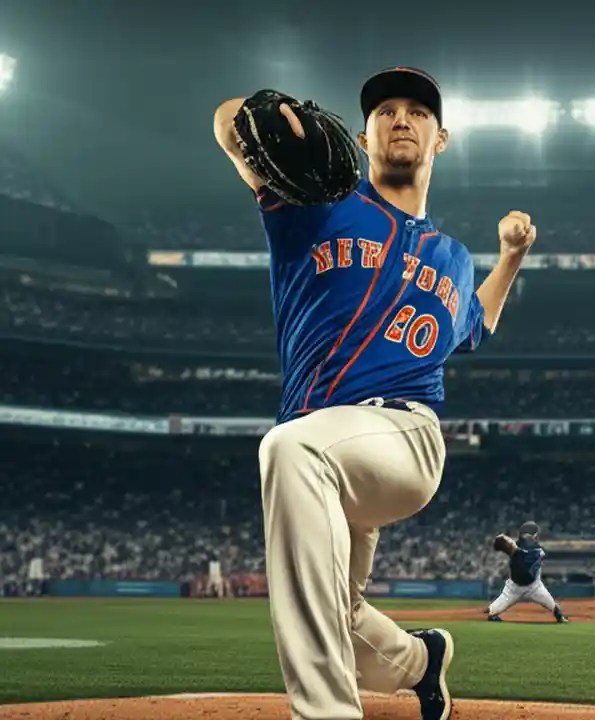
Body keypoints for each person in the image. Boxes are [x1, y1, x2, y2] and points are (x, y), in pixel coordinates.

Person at [213, 65, 536, 720]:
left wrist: (509, 258)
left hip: (402, 436)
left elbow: (475, 326)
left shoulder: (452, 255)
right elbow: (228, 124)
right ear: (361, 136)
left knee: (290, 452)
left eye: (417, 111)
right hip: (327, 440)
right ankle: (423, 663)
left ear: (439, 138)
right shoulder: (315, 203)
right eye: (385, 110)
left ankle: (327, 713)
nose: (400, 118)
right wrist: (272, 122)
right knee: (339, 609)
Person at [486, 521, 569, 623]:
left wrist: (509, 544)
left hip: (534, 586)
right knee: (492, 612)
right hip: (514, 588)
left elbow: (525, 553)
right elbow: (517, 550)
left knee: (553, 607)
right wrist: (508, 544)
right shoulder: (522, 550)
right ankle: (490, 611)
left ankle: (560, 617)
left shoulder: (531, 549)